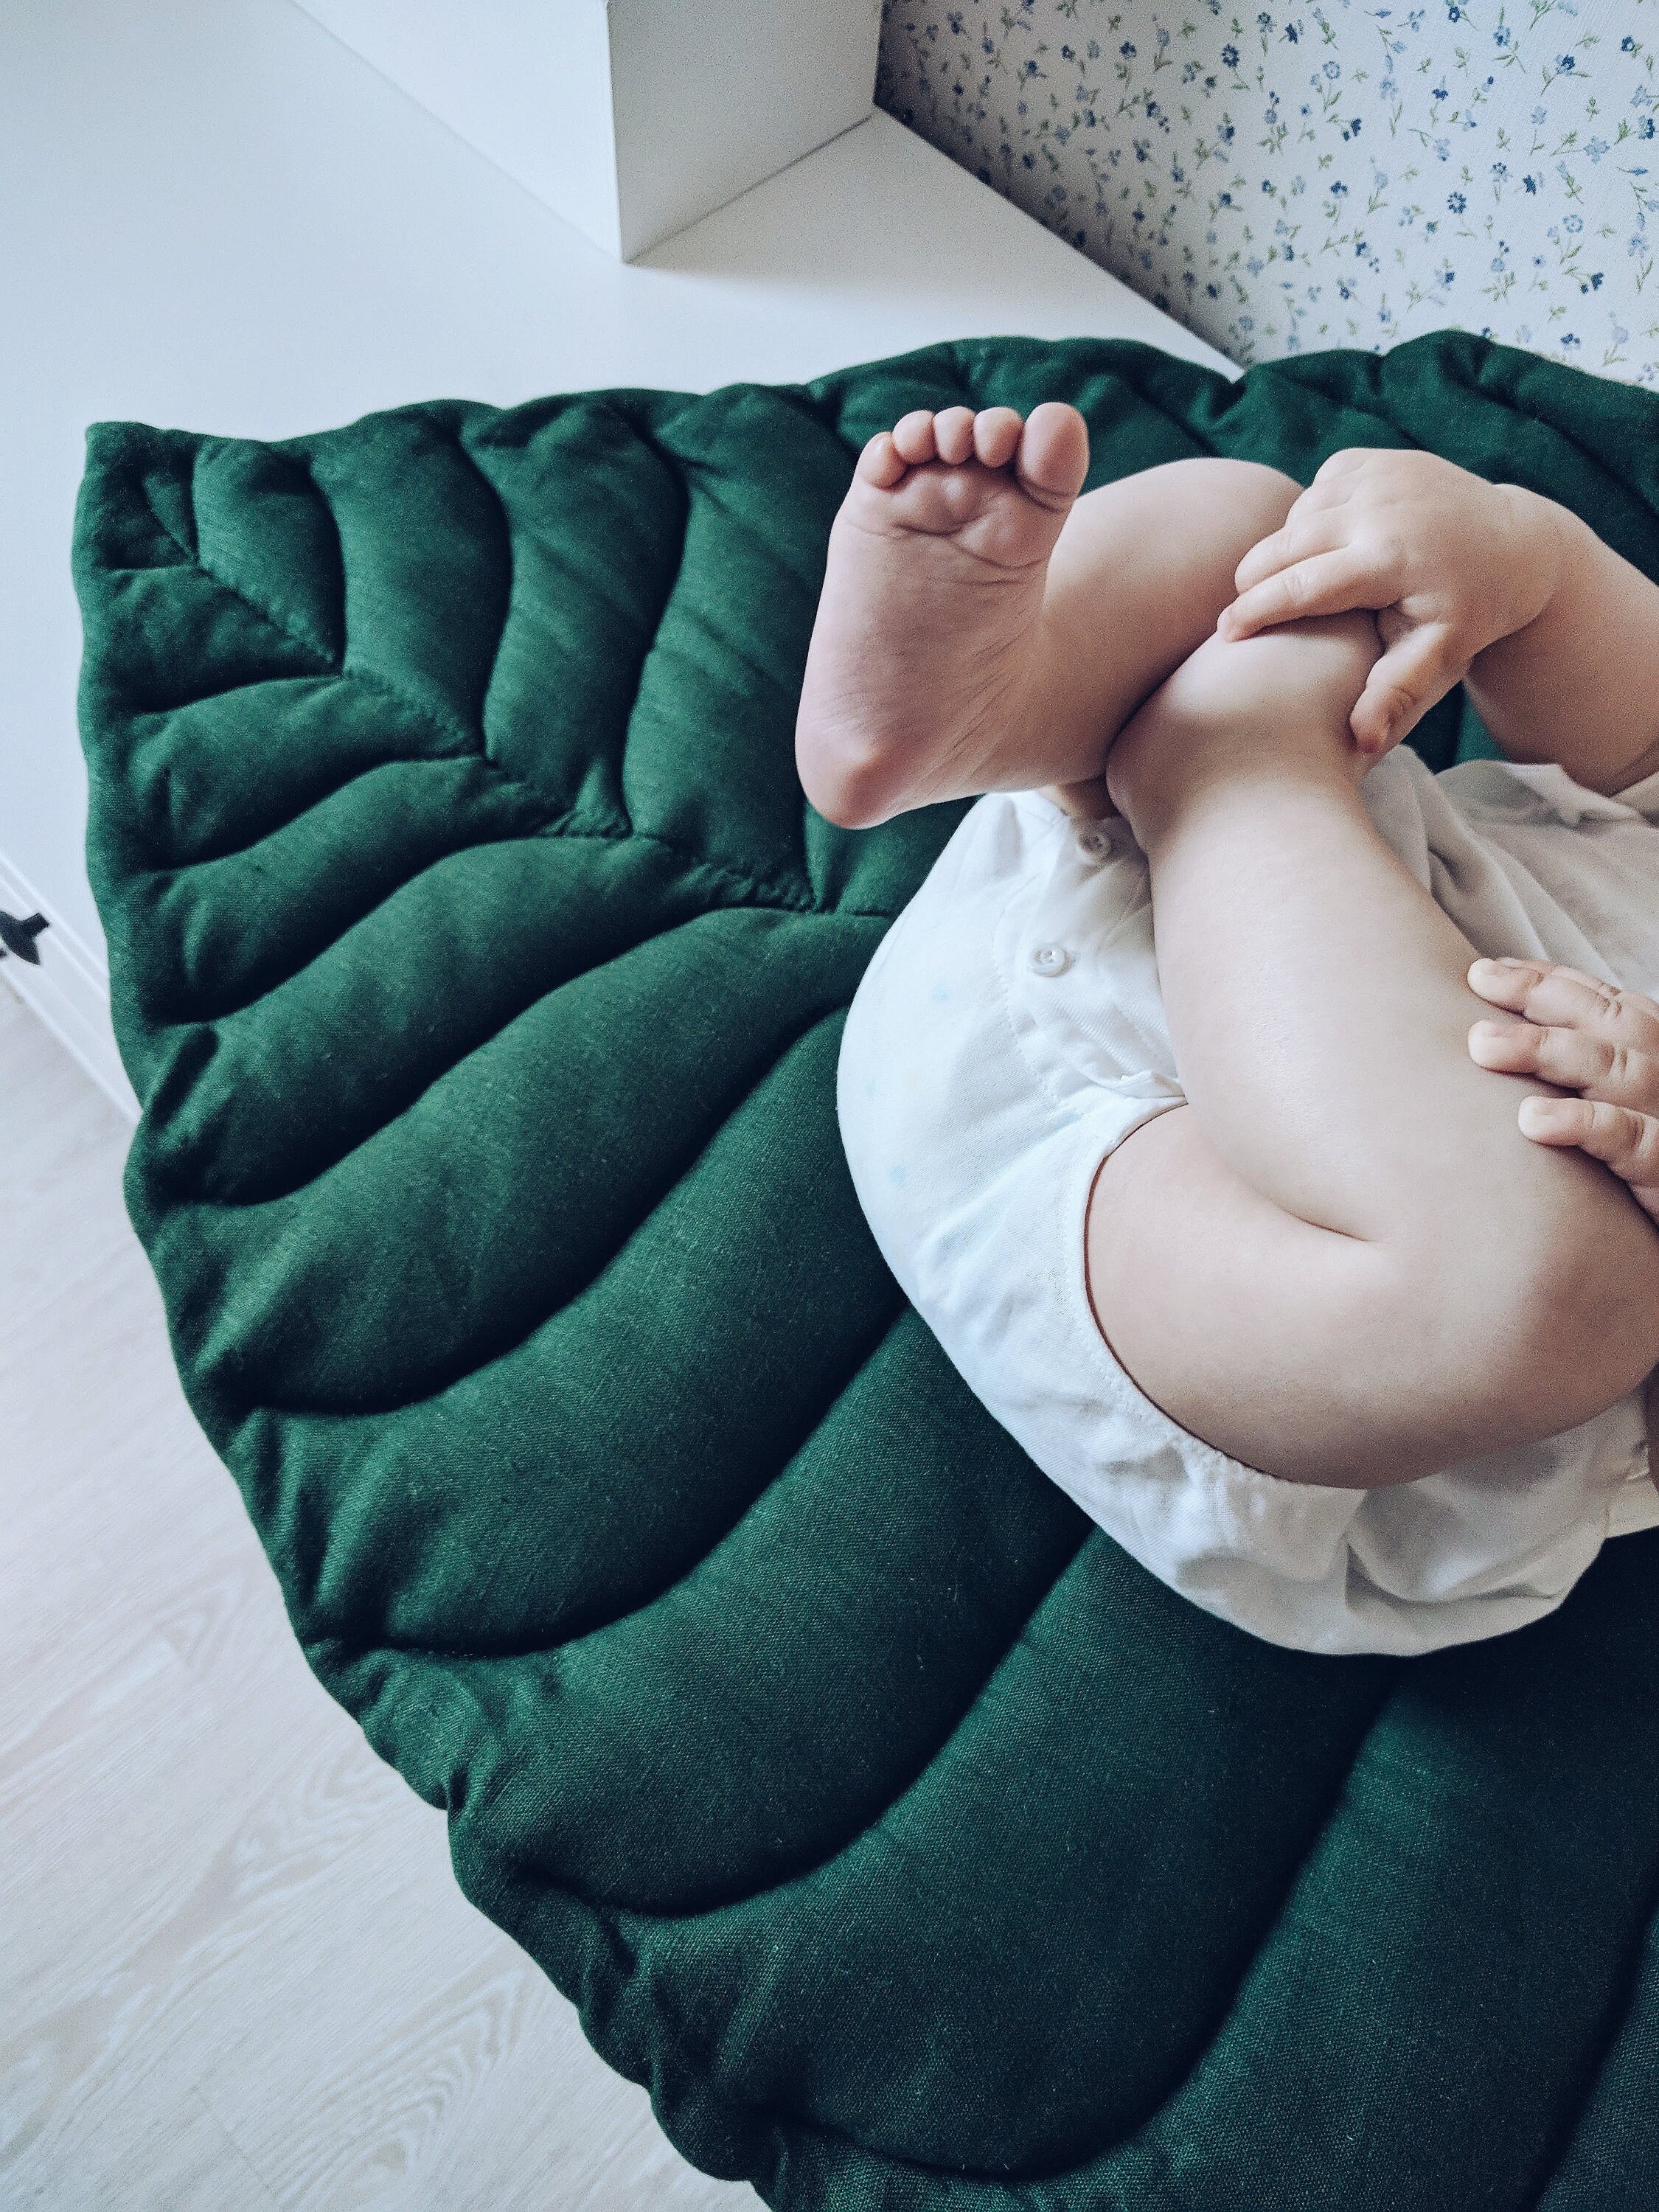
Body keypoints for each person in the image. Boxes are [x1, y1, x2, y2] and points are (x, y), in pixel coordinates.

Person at [797, 400, 1659, 1653]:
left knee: (1560, 1291)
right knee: (1281, 534)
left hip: (1211, 1258)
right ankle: (972, 711)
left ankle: (1218, 780)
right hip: (1185, 884)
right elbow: (1633, 736)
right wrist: (1523, 562)